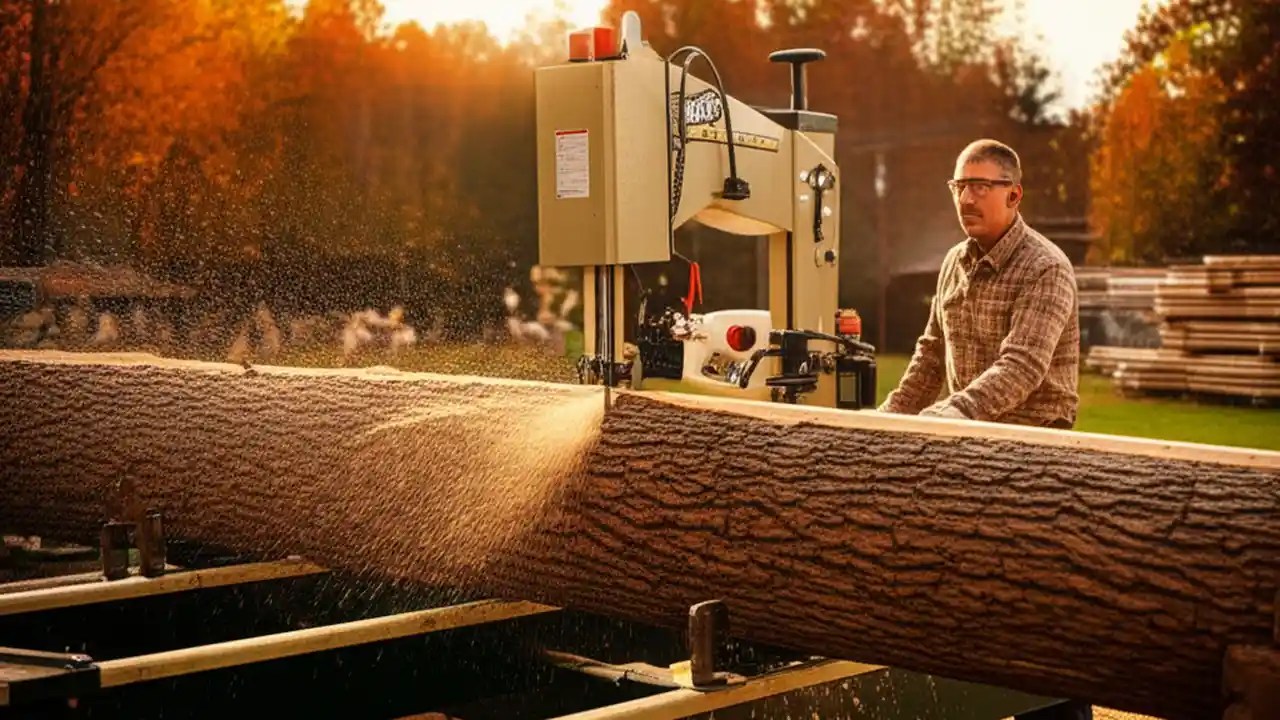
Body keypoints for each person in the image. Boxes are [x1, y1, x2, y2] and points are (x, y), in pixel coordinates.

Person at [879, 138, 1080, 430]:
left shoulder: (1046, 268)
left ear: (1014, 195)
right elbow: (931, 358)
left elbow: (1022, 367)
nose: (965, 199)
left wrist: (953, 413)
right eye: (959, 187)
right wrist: (886, 418)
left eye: (979, 187)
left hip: (1035, 444)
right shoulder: (953, 262)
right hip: (965, 435)